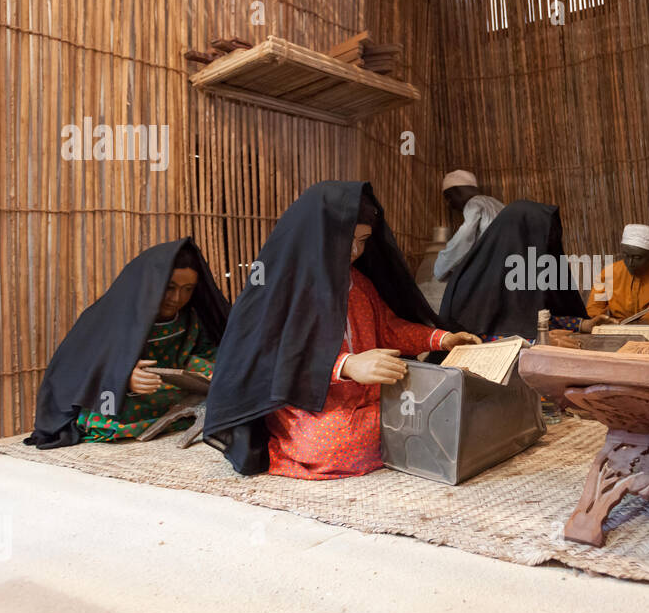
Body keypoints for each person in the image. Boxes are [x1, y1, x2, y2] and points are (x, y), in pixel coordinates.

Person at [204, 182, 480, 478]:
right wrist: (346, 366)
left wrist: (442, 338)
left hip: (366, 396)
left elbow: (388, 328)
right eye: (347, 238)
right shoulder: (282, 284)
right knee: (335, 443)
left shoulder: (358, 283)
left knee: (430, 407)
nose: (355, 250)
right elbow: (266, 356)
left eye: (363, 240)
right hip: (308, 401)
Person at [25, 238, 228, 448]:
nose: (178, 298)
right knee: (107, 414)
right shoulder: (112, 317)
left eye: (188, 289)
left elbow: (206, 351)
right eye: (170, 287)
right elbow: (76, 368)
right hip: (131, 396)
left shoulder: (190, 318)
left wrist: (203, 370)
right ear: (151, 283)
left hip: (173, 390)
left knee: (215, 390)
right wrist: (123, 377)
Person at [439, 200, 600, 341]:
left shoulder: (523, 272)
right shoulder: (474, 282)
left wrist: (582, 324)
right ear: (526, 238)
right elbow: (474, 336)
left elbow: (530, 317)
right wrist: (537, 342)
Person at [586, 224, 649, 338]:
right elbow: (595, 309)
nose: (630, 262)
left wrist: (642, 324)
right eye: (626, 255)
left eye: (637, 258)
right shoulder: (608, 274)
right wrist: (599, 322)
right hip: (616, 336)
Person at [433, 170, 506, 281]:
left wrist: (440, 267)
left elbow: (464, 238)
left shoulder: (474, 204)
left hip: (493, 266)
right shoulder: (496, 203)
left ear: (459, 191)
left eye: (449, 197)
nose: (449, 204)